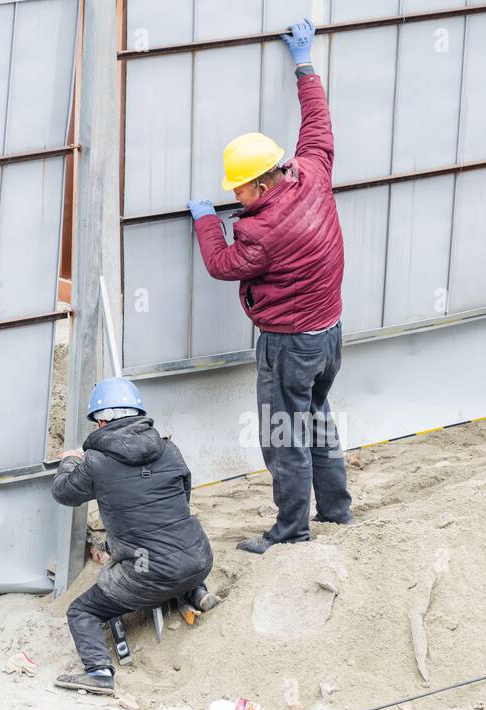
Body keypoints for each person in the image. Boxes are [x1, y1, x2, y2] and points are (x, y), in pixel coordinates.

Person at [187, 17, 352, 556]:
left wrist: (206, 222)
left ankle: (291, 530)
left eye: (238, 189)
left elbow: (222, 264)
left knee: (284, 435)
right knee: (316, 417)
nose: (233, 195)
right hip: (329, 335)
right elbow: (319, 123)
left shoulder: (260, 232)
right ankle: (337, 510)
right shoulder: (312, 171)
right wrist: (304, 64)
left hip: (290, 344)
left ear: (261, 184)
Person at [51, 377, 217, 695]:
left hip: (148, 575)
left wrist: (71, 460)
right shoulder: (170, 449)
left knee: (82, 611)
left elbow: (64, 492)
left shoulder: (96, 462)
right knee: (171, 552)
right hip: (198, 558)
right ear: (139, 414)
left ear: (101, 422)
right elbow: (183, 499)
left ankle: (99, 672)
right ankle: (196, 592)